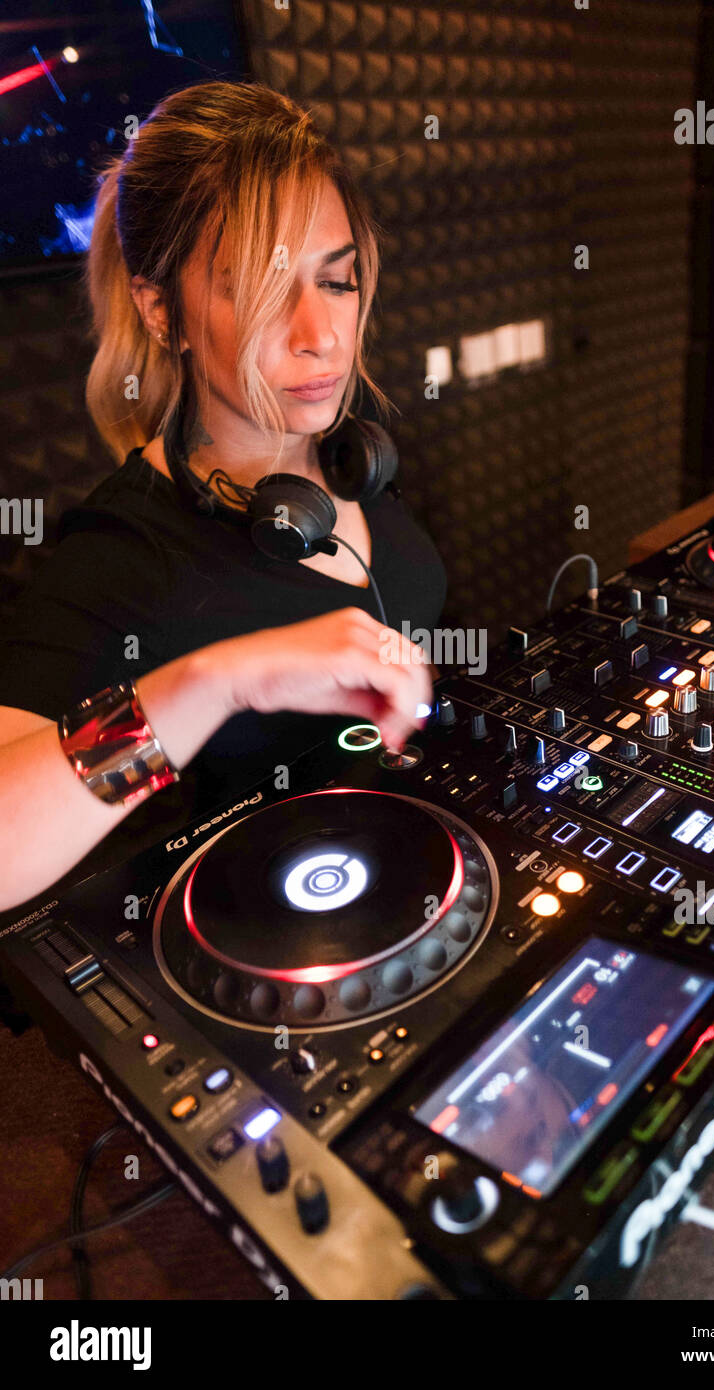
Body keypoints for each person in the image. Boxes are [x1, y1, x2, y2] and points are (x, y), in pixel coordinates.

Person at [0, 82, 446, 913]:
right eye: (266, 290)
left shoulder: (357, 455)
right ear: (162, 311)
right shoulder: (122, 551)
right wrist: (216, 683)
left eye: (338, 282)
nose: (320, 336)